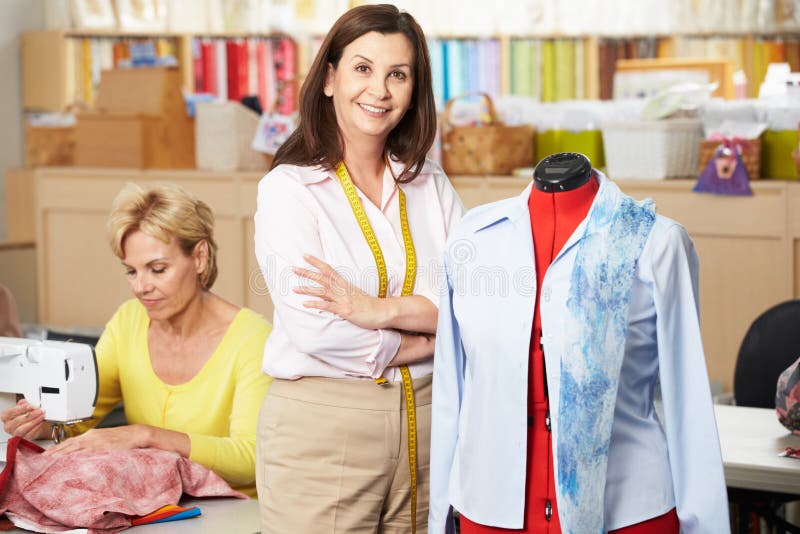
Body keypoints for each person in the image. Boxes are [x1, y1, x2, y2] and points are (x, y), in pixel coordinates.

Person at [430, 153, 729, 533]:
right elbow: (450, 396)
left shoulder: (656, 242)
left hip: (628, 513)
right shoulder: (474, 241)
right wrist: (438, 516)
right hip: (490, 512)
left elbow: (689, 407)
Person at [253, 4, 463, 533]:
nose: (380, 90)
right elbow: (314, 327)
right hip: (323, 434)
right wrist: (422, 339)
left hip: (429, 429)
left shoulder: (432, 186)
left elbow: (472, 306)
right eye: (363, 69)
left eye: (398, 74)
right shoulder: (289, 190)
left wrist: (377, 311)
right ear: (329, 78)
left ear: (415, 89)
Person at [0, 182, 272, 498]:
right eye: (131, 271)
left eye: (157, 269)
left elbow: (251, 458)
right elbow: (80, 418)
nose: (141, 286)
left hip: (235, 512)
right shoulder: (129, 321)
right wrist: (40, 426)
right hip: (156, 507)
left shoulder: (253, 339)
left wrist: (146, 436)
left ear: (199, 257)